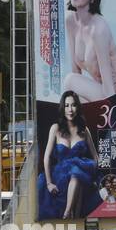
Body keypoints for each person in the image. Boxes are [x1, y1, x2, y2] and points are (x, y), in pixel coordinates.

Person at [63, 0, 116, 102]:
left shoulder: (99, 29)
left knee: (70, 81)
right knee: (72, 98)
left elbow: (109, 89)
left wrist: (114, 118)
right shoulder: (70, 21)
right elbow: (76, 72)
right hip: (100, 90)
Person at [37, 90, 100, 220]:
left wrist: (93, 176)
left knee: (77, 174)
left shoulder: (84, 130)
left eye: (73, 105)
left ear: (78, 107)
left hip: (80, 172)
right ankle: (71, 216)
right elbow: (47, 157)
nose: (70, 110)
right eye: (66, 106)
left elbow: (95, 156)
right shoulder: (55, 128)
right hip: (60, 175)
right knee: (76, 175)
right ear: (62, 108)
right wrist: (49, 183)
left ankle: (67, 213)